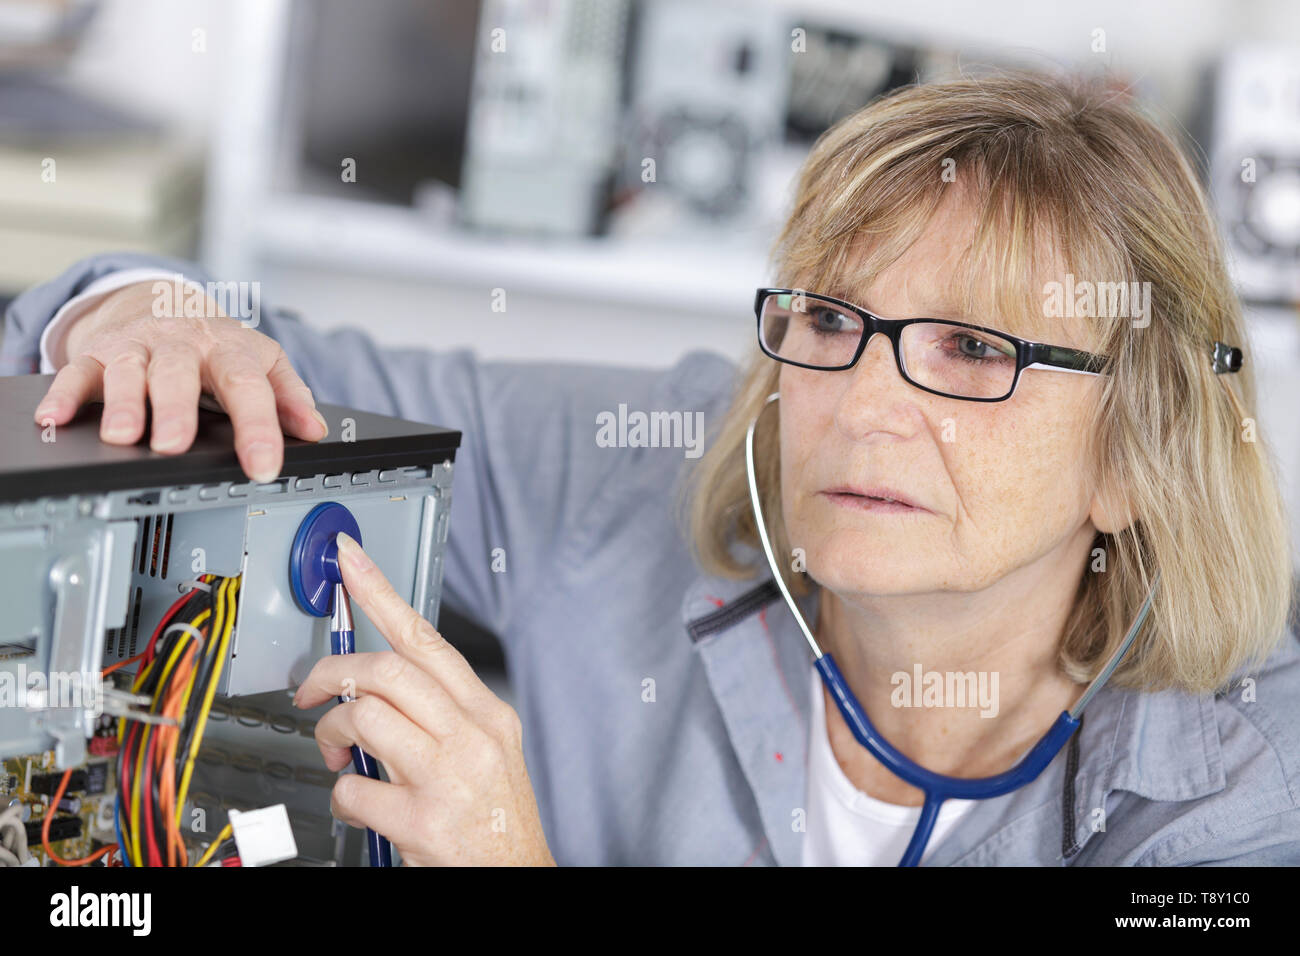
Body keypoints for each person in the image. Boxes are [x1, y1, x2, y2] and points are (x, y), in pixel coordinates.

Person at [3, 71, 1298, 866]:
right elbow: (258, 362)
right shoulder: (644, 471)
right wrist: (141, 313)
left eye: (972, 351)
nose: (861, 404)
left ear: (1137, 459)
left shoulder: (1237, 787)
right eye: (833, 321)